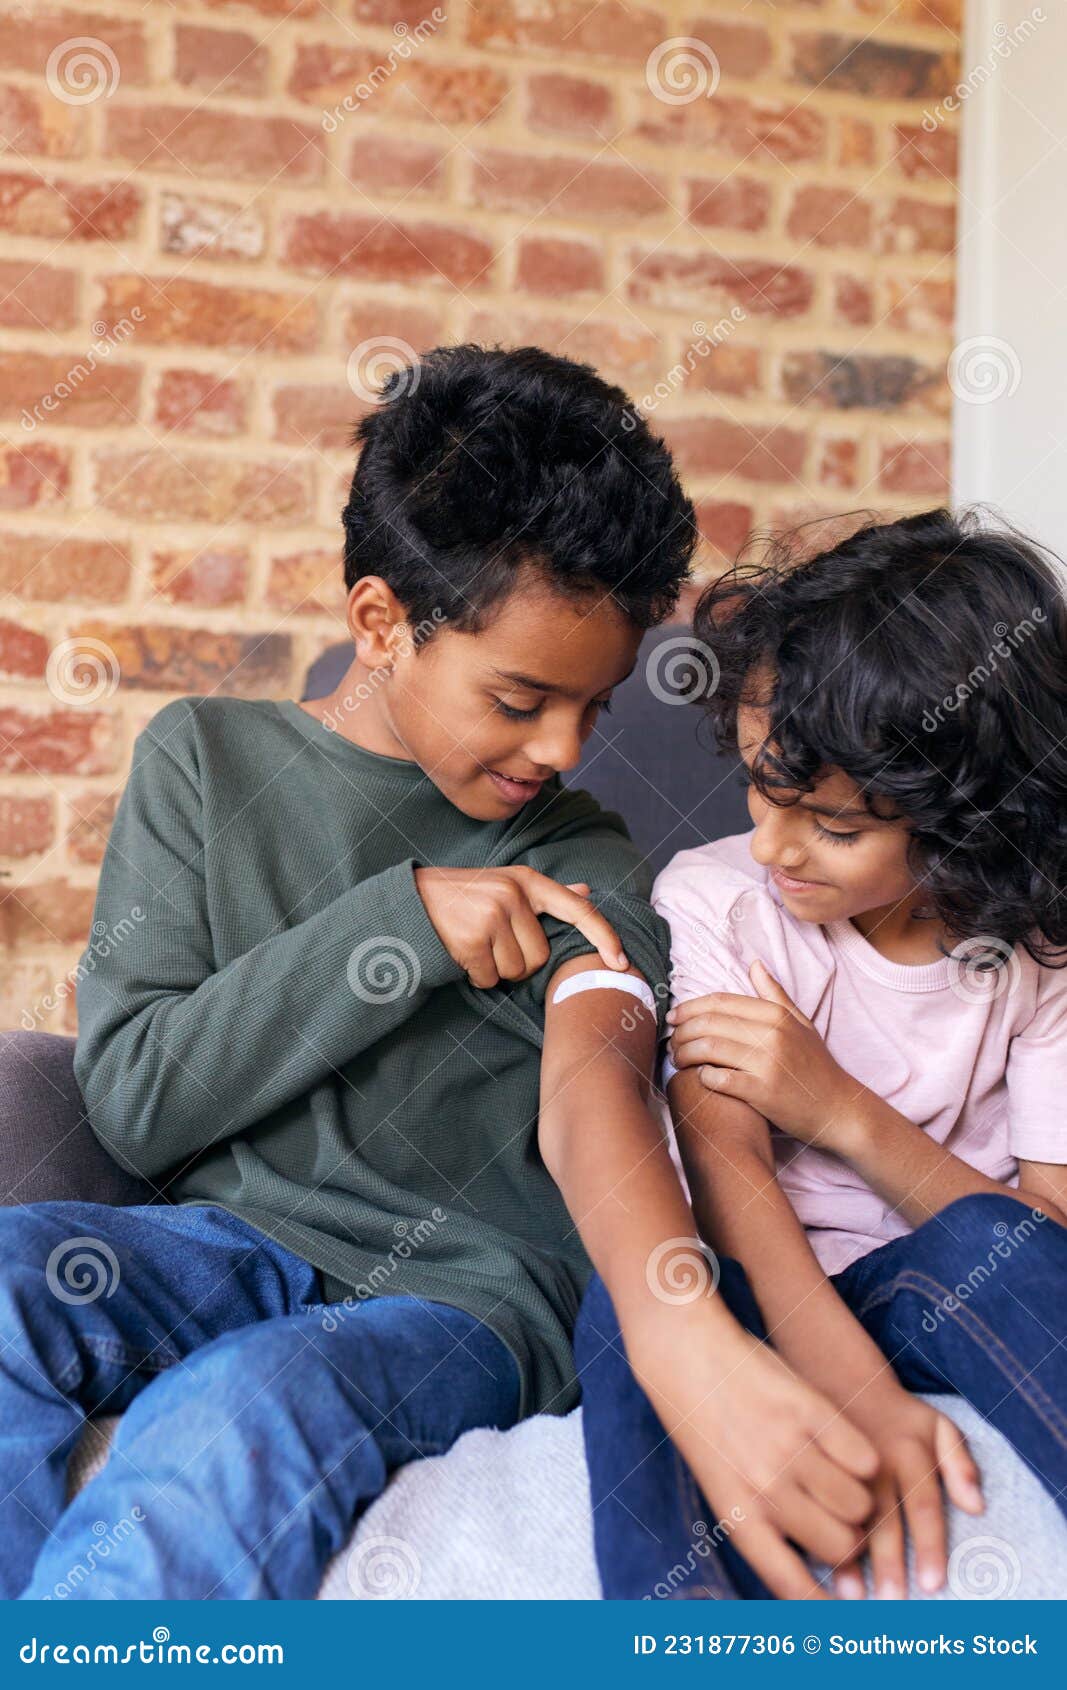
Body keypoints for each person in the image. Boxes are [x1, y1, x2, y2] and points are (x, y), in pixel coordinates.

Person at [1, 346, 875, 1601]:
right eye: (520, 697)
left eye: (596, 703)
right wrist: (397, 928)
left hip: (464, 1300)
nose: (564, 745)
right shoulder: (201, 762)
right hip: (222, 1244)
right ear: (378, 621)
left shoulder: (583, 855)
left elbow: (600, 1084)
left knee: (235, 1408)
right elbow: (135, 1098)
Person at [578, 506, 1067, 1601]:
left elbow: (1040, 1240)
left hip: (939, 1281)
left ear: (970, 821)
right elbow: (721, 1160)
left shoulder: (1039, 952)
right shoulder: (720, 902)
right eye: (759, 786)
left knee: (992, 1238)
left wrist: (840, 1109)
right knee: (637, 1297)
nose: (771, 845)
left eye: (833, 828)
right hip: (766, 1275)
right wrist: (852, 1384)